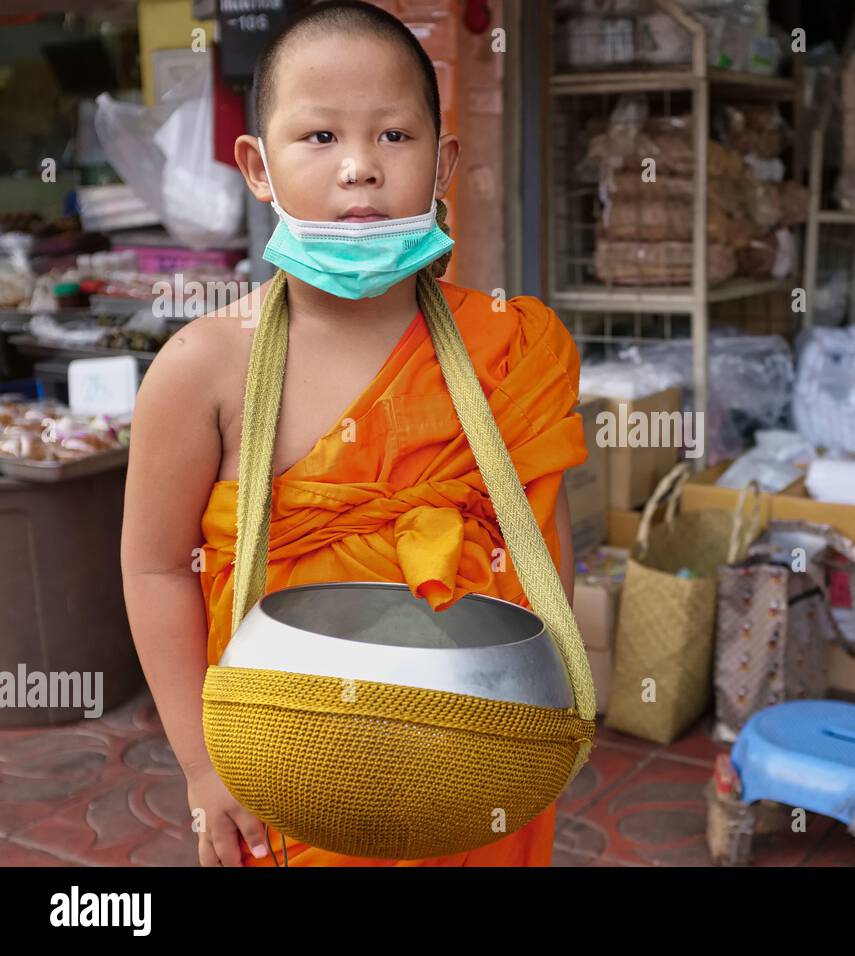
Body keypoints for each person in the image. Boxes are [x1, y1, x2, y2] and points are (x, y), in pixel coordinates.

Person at [120, 0, 586, 867]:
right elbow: (154, 568)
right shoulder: (205, 366)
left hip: (479, 755)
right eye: (321, 137)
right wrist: (201, 767)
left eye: (395, 138)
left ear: (444, 161)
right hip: (288, 765)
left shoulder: (507, 346)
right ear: (257, 168)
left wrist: (553, 707)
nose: (361, 169)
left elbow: (541, 544)